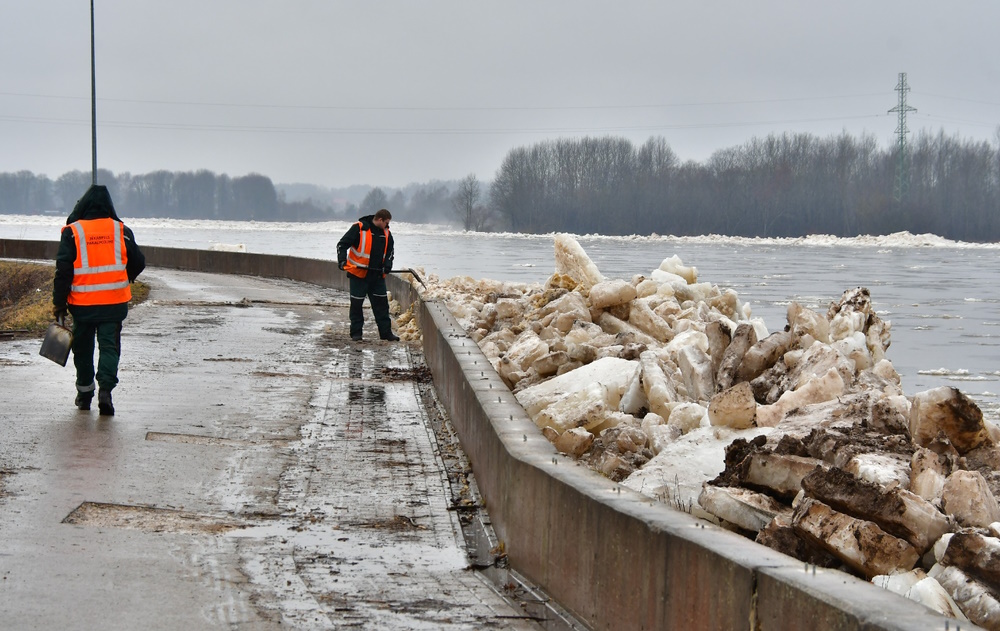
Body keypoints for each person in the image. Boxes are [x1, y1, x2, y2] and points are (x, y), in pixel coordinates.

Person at [52, 185, 145, 416]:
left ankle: (84, 395)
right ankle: (106, 391)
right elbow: (138, 262)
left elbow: (63, 271)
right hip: (114, 304)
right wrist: (127, 275)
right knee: (109, 347)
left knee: (83, 350)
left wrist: (59, 303)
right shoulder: (121, 231)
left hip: (82, 306)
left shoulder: (73, 232)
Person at [336, 208, 399, 342]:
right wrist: (342, 261)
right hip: (358, 275)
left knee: (382, 306)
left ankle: (386, 333)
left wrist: (387, 266)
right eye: (386, 223)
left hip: (377, 277)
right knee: (356, 305)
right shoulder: (359, 229)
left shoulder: (387, 234)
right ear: (380, 220)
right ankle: (356, 333)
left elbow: (390, 253)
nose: (387, 226)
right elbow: (342, 245)